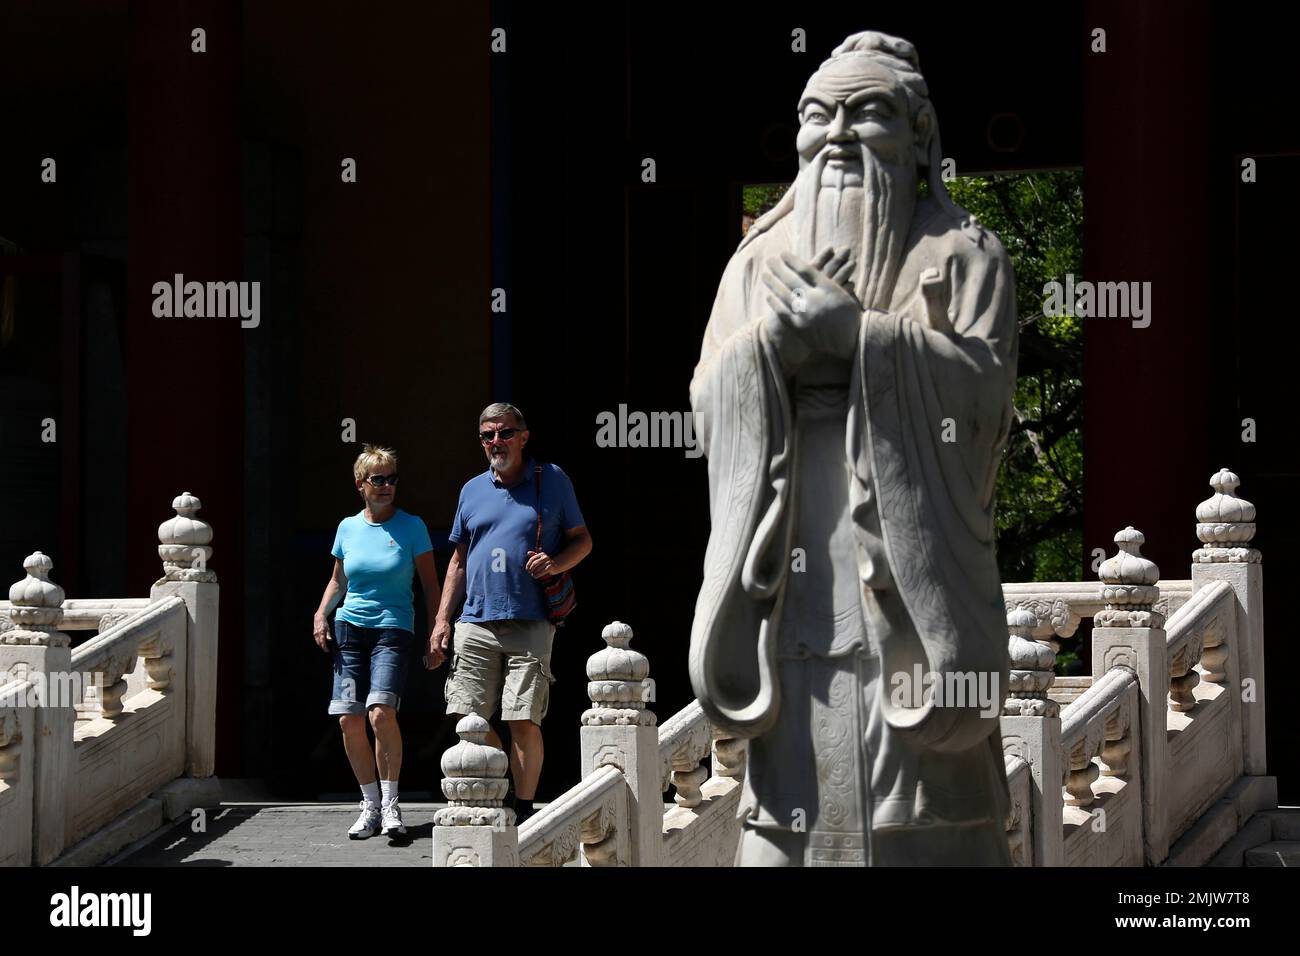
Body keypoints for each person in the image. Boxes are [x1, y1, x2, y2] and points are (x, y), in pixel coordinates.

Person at [688, 31, 1017, 865]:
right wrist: (772, 353)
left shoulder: (964, 254)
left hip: (911, 590)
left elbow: (983, 402)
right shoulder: (755, 262)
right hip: (789, 570)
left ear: (920, 137)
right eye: (816, 116)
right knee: (789, 809)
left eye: (866, 114)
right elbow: (705, 402)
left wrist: (862, 341)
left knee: (932, 819)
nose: (834, 136)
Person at [430, 402, 592, 825]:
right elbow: (459, 560)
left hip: (531, 619)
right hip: (476, 620)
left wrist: (556, 564)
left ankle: (522, 809)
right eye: (488, 435)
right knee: (467, 717)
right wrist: (442, 619)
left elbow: (583, 540)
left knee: (522, 719)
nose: (496, 442)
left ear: (523, 436)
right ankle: (500, 786)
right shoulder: (471, 490)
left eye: (504, 433)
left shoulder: (552, 480)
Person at [313, 444, 441, 840]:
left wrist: (438, 630)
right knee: (349, 718)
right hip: (350, 630)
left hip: (392, 630)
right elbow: (338, 580)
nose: (386, 486)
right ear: (361, 484)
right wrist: (321, 614)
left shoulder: (412, 527)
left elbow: (430, 584)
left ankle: (390, 805)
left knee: (380, 713)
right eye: (378, 479)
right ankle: (368, 805)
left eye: (392, 479)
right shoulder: (347, 527)